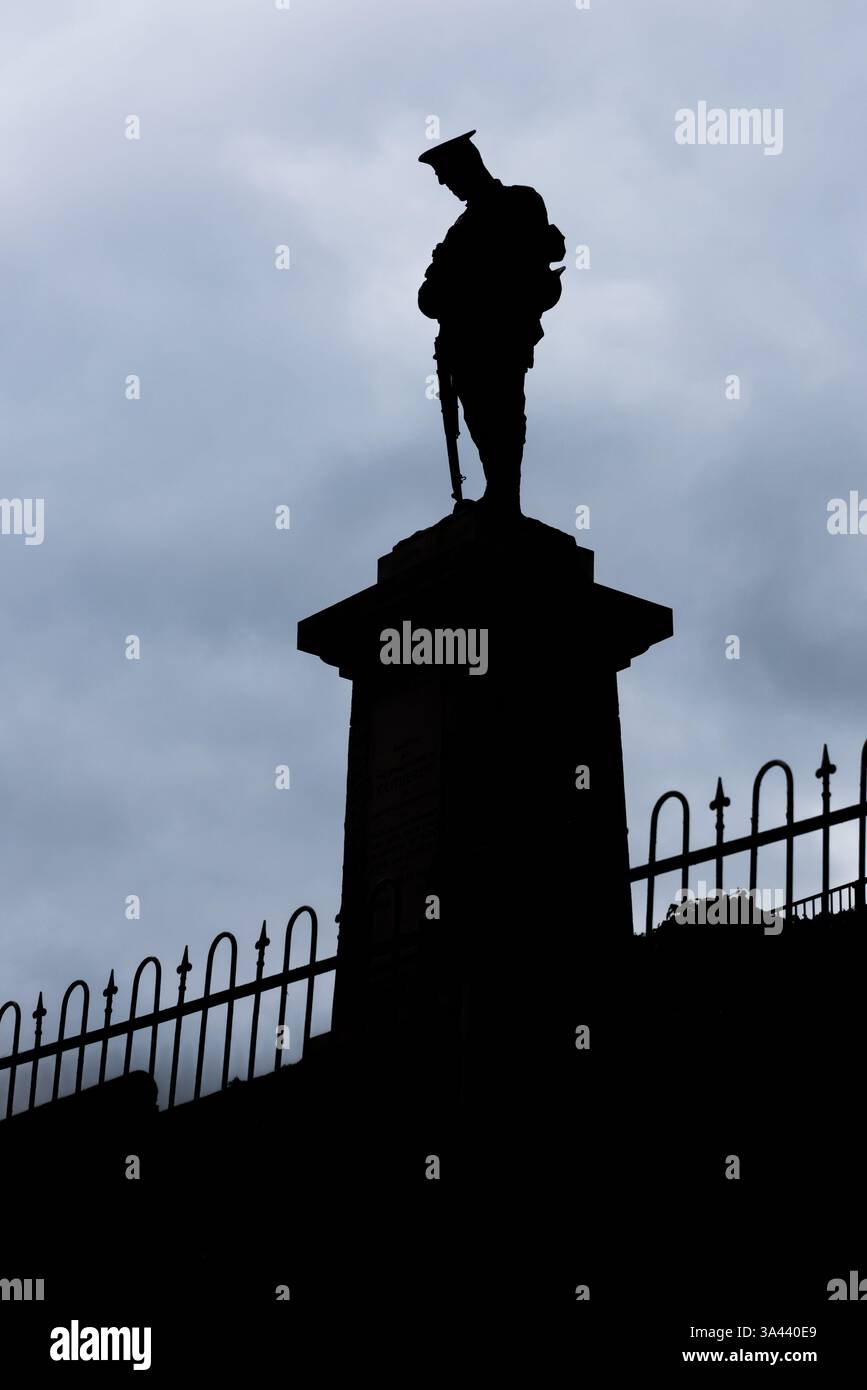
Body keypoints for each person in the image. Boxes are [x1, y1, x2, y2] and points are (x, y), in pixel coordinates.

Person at [418, 131, 565, 516]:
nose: (443, 184)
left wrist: (466, 282)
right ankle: (496, 494)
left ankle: (504, 499)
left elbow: (530, 260)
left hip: (503, 332)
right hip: (463, 342)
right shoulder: (458, 232)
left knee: (503, 412)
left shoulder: (520, 201)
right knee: (479, 418)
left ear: (469, 166)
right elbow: (428, 300)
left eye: (447, 174)